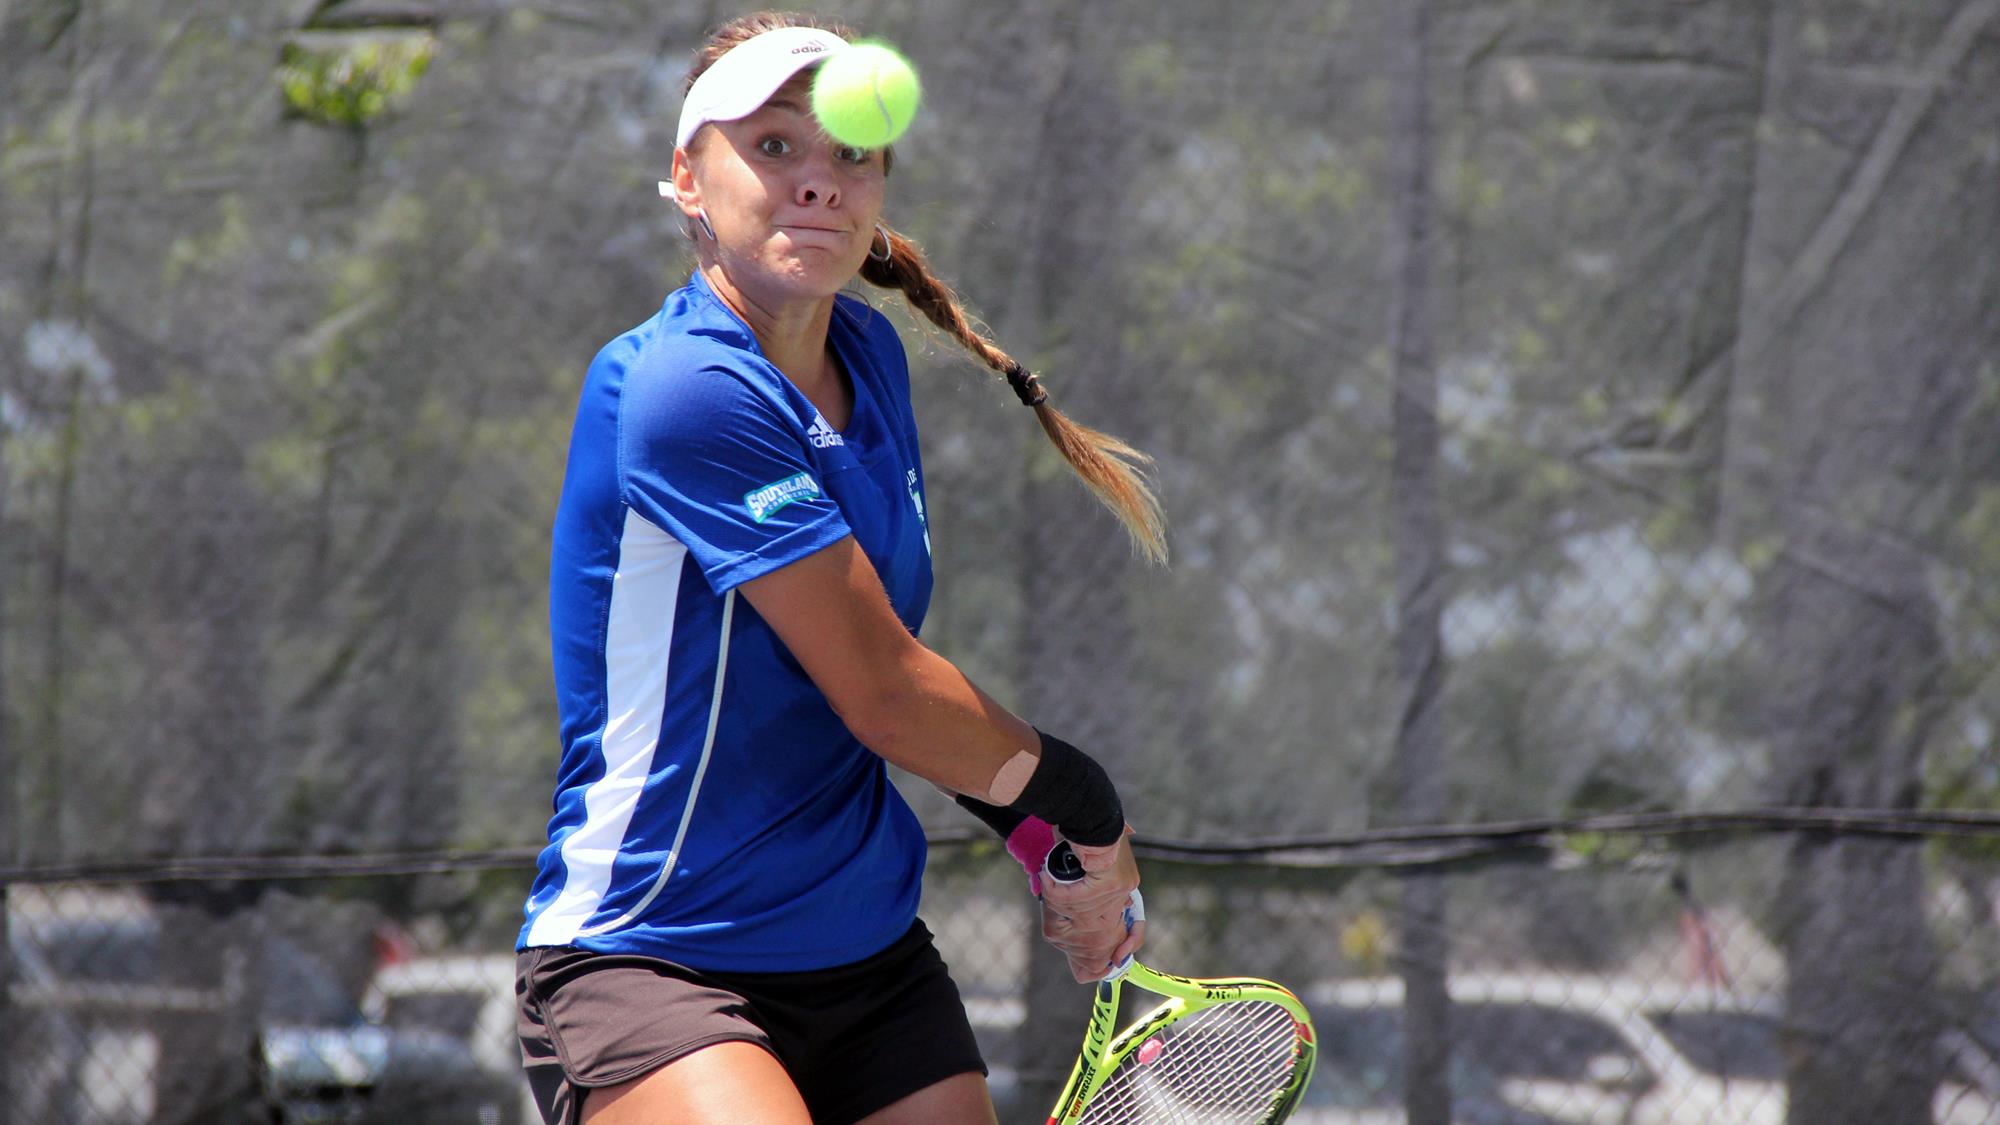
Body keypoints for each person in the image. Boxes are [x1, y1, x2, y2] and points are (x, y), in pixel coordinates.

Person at [513, 12, 1166, 1125]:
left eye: (848, 152)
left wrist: (1034, 836)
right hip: (652, 954)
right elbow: (883, 693)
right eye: (772, 147)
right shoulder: (683, 389)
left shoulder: (867, 355)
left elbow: (877, 666)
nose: (816, 180)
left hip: (866, 956)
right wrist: (1084, 811)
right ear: (686, 177)